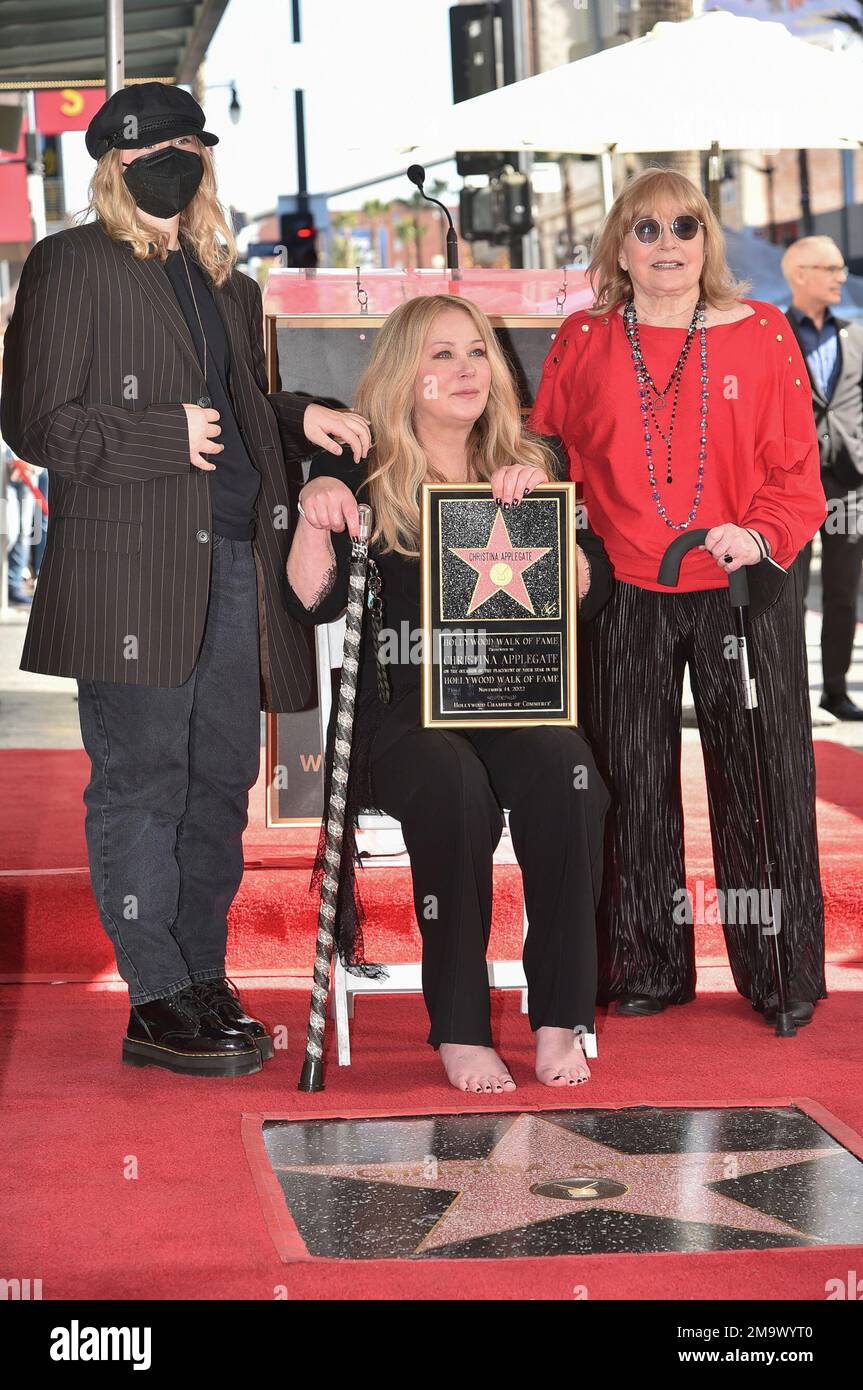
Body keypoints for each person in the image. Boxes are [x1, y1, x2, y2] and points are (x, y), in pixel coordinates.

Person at [0, 82, 371, 1076]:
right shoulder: (71, 263)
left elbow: (233, 402)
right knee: (142, 783)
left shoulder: (223, 278)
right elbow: (36, 423)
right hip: (131, 574)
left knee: (217, 785)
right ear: (113, 161)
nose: (173, 157)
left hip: (237, 562)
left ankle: (200, 975)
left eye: (188, 142)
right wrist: (159, 435)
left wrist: (298, 420)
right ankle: (154, 993)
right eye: (151, 145)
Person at [284, 294, 612, 1094]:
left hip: (502, 702)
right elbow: (308, 601)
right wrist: (314, 514)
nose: (465, 369)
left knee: (569, 771)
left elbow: (587, 596)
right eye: (441, 355)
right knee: (451, 780)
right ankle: (461, 1026)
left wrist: (546, 525)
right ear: (405, 372)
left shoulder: (530, 460)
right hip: (399, 720)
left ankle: (560, 1014)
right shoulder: (358, 466)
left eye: (475, 352)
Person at [529, 168, 828, 1027]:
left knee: (766, 776)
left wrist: (760, 532)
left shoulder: (763, 333)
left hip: (743, 585)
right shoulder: (583, 338)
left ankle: (781, 970)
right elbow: (548, 448)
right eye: (646, 229)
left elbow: (795, 473)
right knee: (625, 783)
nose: (668, 245)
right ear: (619, 245)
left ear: (709, 241)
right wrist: (521, 467)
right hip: (621, 587)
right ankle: (643, 965)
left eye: (684, 227)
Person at [782, 236, 863, 721]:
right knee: (787, 591)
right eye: (829, 268)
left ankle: (834, 689)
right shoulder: (774, 335)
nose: (840, 276)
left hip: (849, 482)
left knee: (842, 588)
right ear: (799, 274)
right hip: (792, 482)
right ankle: (790, 691)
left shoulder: (855, 335)